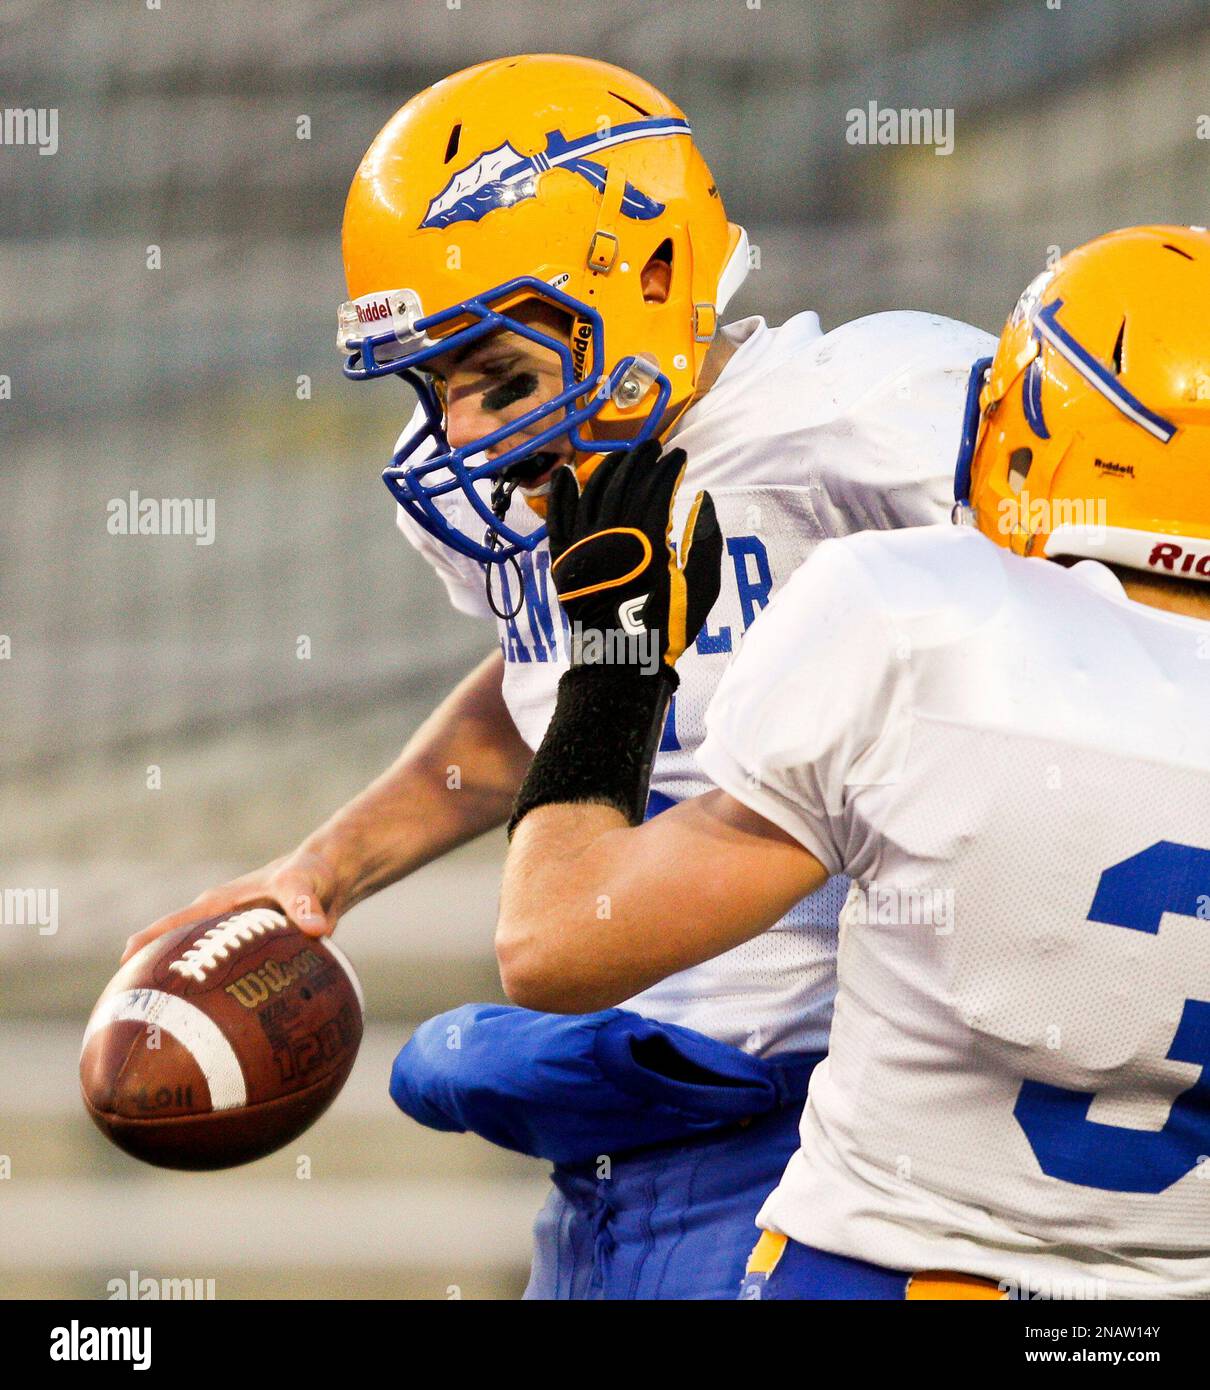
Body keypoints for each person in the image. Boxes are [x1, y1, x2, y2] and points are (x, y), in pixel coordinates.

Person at [125, 52, 993, 1299]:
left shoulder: (875, 425)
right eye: (438, 385)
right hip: (613, 1156)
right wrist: (326, 868)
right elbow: (540, 686)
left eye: (502, 376)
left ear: (653, 276)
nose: (466, 438)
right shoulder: (519, 489)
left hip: (835, 1140)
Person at [498, 223, 1210, 1299]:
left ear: (1037, 433)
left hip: (877, 1272)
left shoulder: (913, 612)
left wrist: (615, 664)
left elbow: (558, 939)